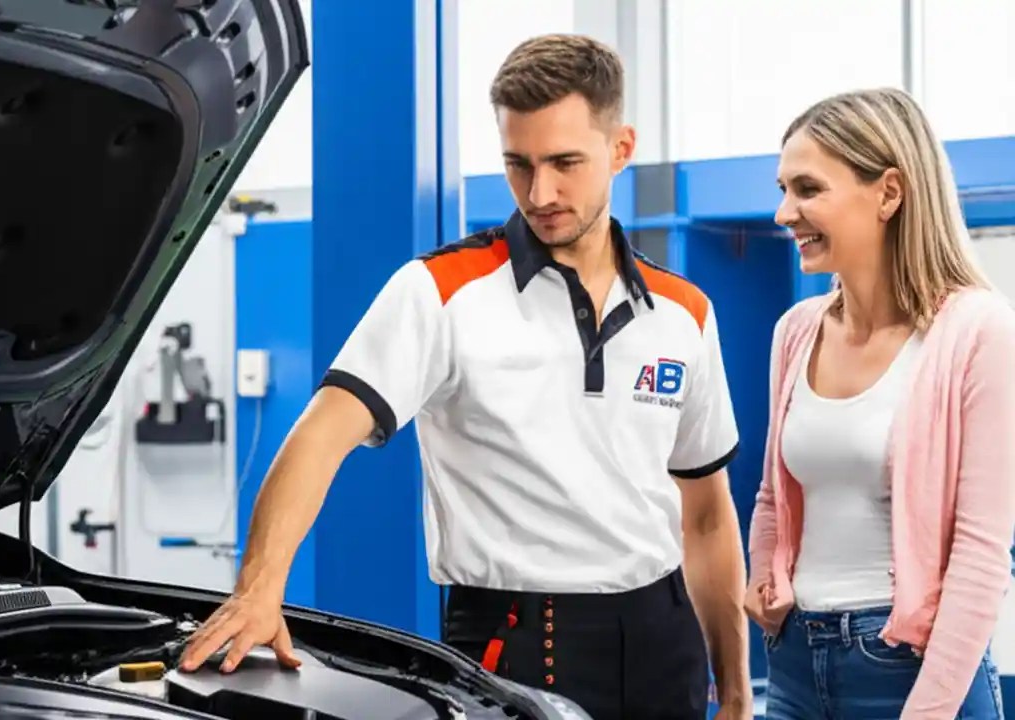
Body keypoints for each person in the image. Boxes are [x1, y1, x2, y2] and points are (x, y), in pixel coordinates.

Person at [179, 33, 752, 720]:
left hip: (665, 642)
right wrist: (258, 587)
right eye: (519, 164)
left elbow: (710, 517)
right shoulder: (439, 291)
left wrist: (738, 691)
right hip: (517, 640)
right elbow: (322, 433)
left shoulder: (685, 313)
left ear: (621, 149)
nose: (540, 193)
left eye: (565, 162)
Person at [746, 86, 1015, 719]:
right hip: (792, 667)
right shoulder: (796, 330)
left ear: (889, 193)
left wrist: (928, 711)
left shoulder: (978, 330)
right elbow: (771, 499)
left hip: (913, 670)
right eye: (782, 189)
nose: (785, 213)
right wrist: (766, 579)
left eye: (808, 190)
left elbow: (981, 554)